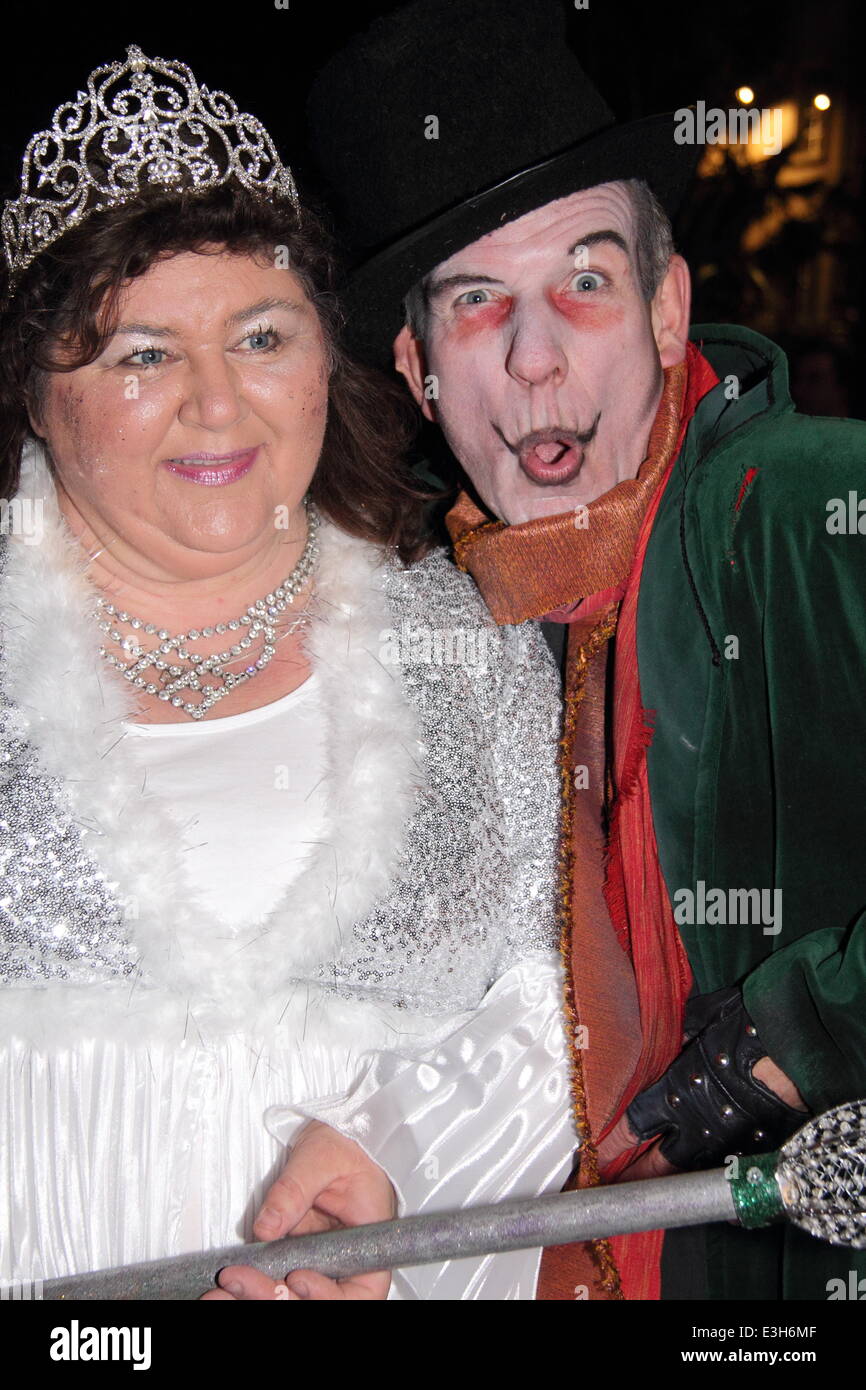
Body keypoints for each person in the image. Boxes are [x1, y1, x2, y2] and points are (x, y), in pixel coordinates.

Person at [300, 0, 866, 1300]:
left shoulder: (796, 507)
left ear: (668, 309)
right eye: (476, 303)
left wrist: (808, 1029)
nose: (537, 354)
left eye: (584, 282)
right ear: (417, 368)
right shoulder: (496, 624)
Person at [0, 43, 579, 1302]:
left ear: (331, 356)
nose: (218, 406)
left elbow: (567, 1003)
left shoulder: (469, 642)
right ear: (38, 397)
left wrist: (397, 1154)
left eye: (259, 336)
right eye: (141, 355)